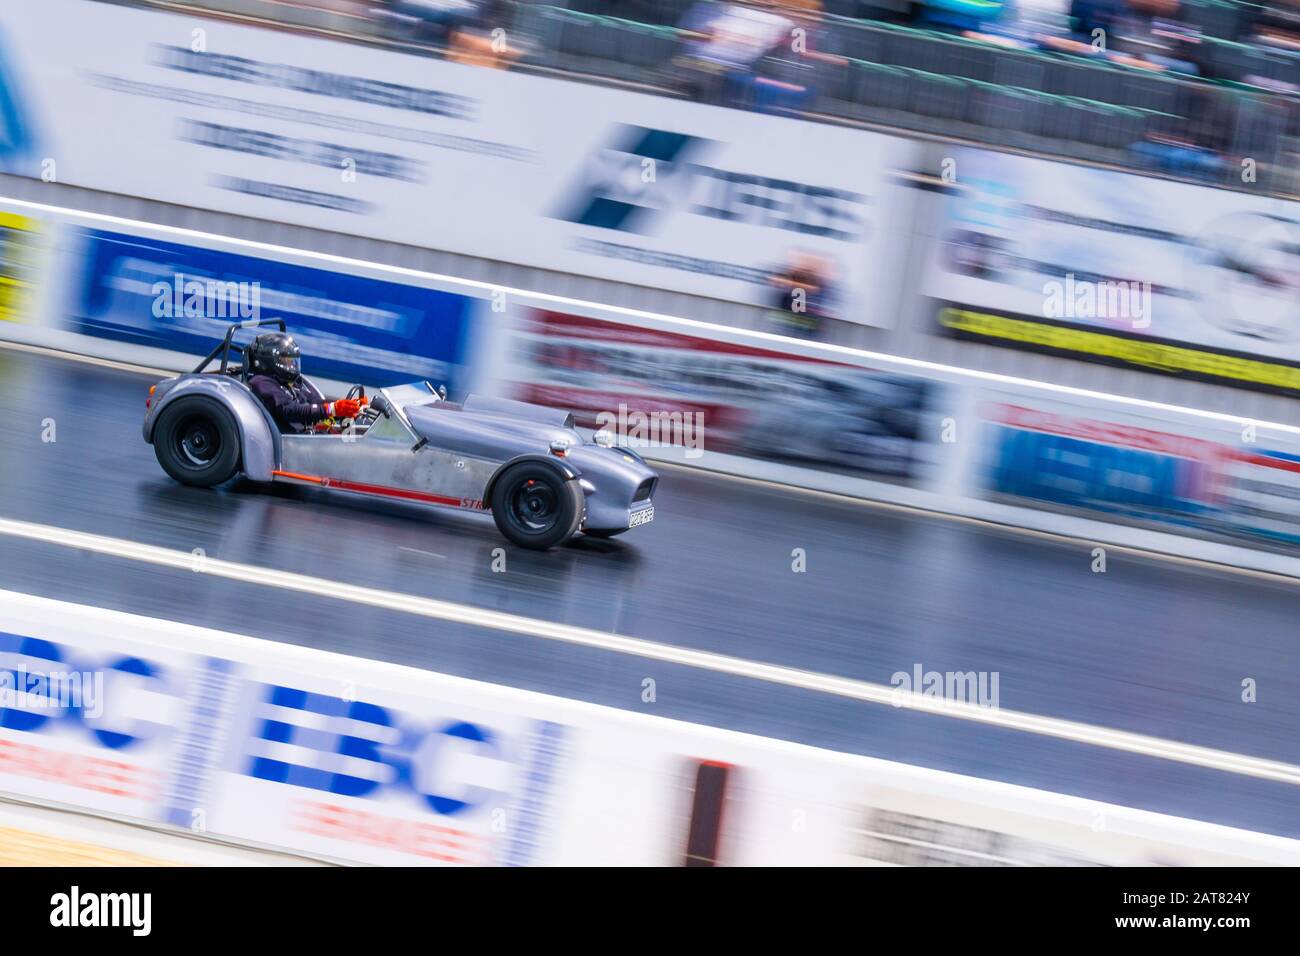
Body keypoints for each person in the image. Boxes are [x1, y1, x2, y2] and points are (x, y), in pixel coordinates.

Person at [246, 331, 365, 433]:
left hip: (306, 434)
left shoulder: (289, 381)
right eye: (286, 361)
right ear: (268, 362)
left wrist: (346, 405)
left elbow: (315, 401)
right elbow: (290, 411)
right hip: (288, 441)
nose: (291, 365)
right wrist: (332, 409)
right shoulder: (261, 382)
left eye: (292, 361)